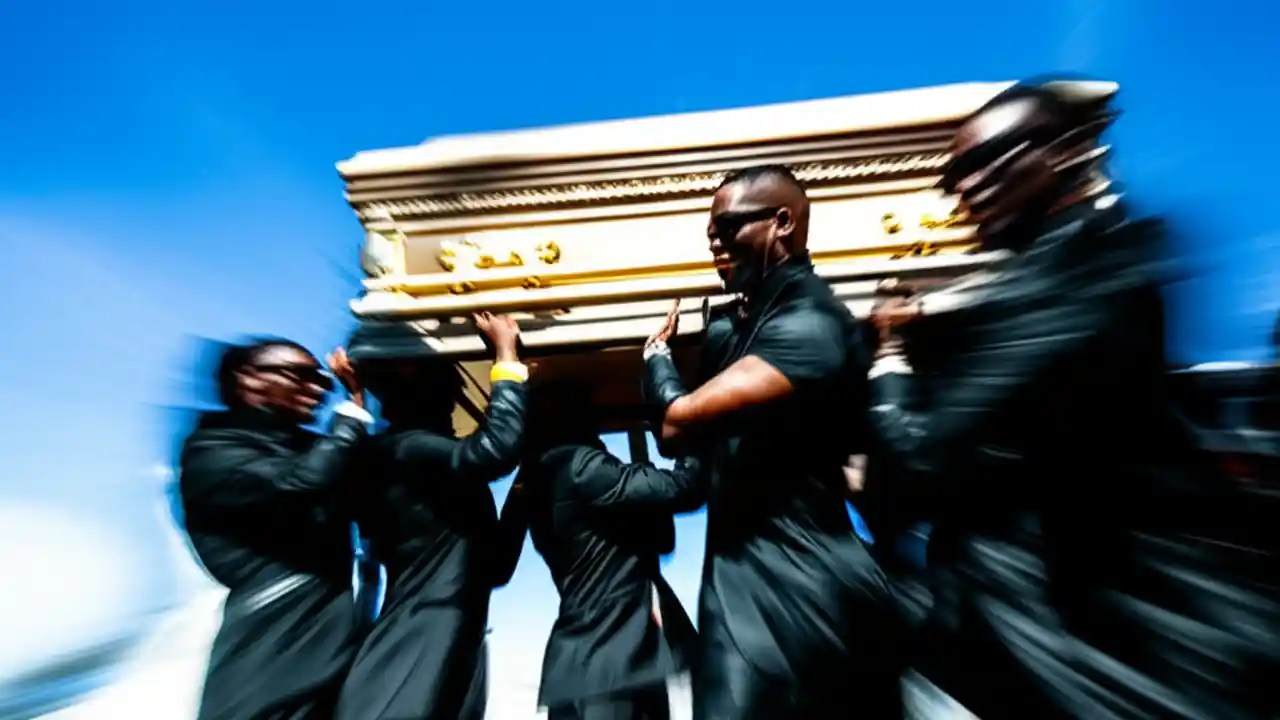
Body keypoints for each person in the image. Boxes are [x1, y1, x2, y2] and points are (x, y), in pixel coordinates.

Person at [868, 77, 1279, 719]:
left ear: (1061, 152)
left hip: (1120, 657)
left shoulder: (1084, 272)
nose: (966, 192)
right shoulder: (1094, 260)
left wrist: (889, 355)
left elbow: (919, 454)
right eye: (954, 179)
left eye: (986, 164)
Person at [643, 165, 903, 719]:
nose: (713, 242)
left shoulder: (811, 323)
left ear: (782, 223)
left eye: (728, 227)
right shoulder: (748, 329)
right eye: (709, 232)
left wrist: (656, 359)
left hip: (799, 598)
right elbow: (695, 477)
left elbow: (676, 425)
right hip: (751, 588)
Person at [334, 312, 529, 720]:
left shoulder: (427, 466)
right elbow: (494, 451)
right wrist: (506, 356)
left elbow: (495, 568)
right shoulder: (405, 450)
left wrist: (529, 480)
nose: (458, 389)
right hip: (421, 635)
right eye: (448, 379)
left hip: (455, 637)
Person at [179, 339, 372, 720]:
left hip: (325, 642)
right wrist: (352, 414)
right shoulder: (212, 451)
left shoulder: (310, 446)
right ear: (248, 381)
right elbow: (299, 484)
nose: (317, 389)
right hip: (271, 648)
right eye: (300, 376)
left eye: (322, 381)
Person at [497, 381, 701, 720]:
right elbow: (685, 488)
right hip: (618, 668)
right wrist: (680, 420)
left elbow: (660, 537)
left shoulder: (532, 482)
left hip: (575, 673)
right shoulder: (584, 467)